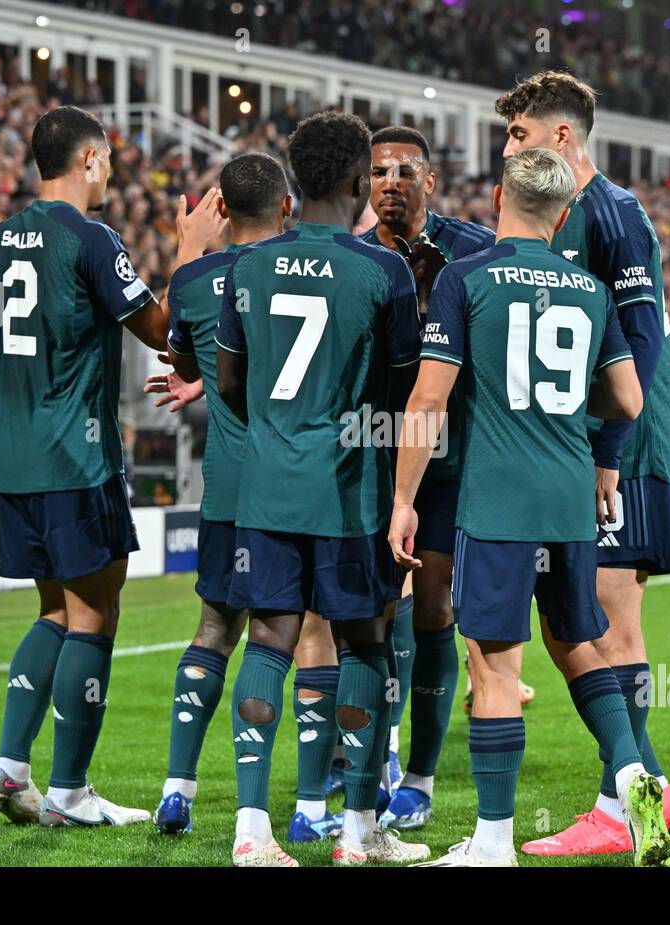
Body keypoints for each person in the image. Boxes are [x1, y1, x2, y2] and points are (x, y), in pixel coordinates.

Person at [390, 147, 668, 867]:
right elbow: (631, 399)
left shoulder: (466, 277)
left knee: (493, 666)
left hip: (499, 498)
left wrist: (402, 498)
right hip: (570, 493)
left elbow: (427, 400)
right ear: (565, 213)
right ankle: (635, 775)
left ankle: (491, 844)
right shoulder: (587, 288)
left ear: (495, 198)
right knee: (576, 643)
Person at [0, 105, 174, 828]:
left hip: (16, 459)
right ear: (92, 159)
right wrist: (193, 253)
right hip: (80, 454)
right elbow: (162, 331)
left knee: (54, 610)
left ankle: (12, 768)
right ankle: (70, 793)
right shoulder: (92, 240)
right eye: (108, 160)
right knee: (95, 615)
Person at [214, 110, 429, 867]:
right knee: (366, 644)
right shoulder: (384, 271)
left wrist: (280, 432)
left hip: (267, 489)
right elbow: (409, 390)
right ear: (355, 181)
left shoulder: (248, 266)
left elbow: (231, 382)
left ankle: (251, 828)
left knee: (268, 638)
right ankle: (356, 831)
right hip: (351, 493)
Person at [494, 70, 670, 858]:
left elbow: (639, 344)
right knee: (577, 619)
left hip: (623, 451)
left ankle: (621, 802)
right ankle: (650, 787)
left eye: (518, 133)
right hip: (590, 449)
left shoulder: (613, 215)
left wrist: (608, 454)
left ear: (561, 137)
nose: (509, 145)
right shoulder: (564, 214)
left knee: (605, 620)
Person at [142, 155, 300, 838]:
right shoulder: (308, 268)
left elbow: (192, 357)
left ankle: (176, 788)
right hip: (296, 488)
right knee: (285, 639)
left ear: (223, 213)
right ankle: (266, 817)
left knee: (212, 630)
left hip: (225, 486)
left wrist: (185, 250)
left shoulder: (195, 279)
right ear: (286, 208)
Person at [357, 125, 497, 830]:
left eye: (403, 172)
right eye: (379, 172)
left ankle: (419, 776)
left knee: (436, 609)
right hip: (365, 457)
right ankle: (375, 759)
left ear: (429, 180)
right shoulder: (352, 257)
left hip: (446, 459)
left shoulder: (472, 250)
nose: (390, 182)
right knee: (371, 613)